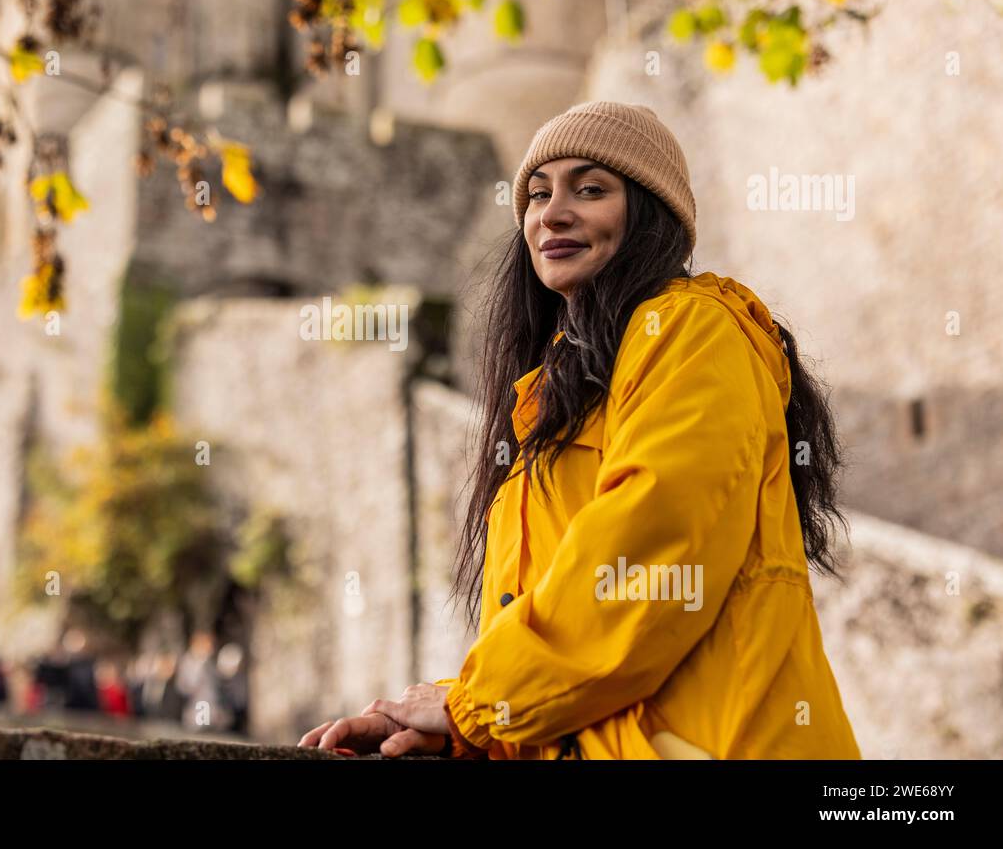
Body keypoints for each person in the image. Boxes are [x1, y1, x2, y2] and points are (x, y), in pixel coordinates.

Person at [299, 101, 862, 760]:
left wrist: (475, 707)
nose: (552, 214)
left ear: (652, 214)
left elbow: (647, 555)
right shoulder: (548, 398)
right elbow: (566, 638)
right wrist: (463, 732)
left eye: (590, 189)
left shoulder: (694, 331)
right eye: (538, 194)